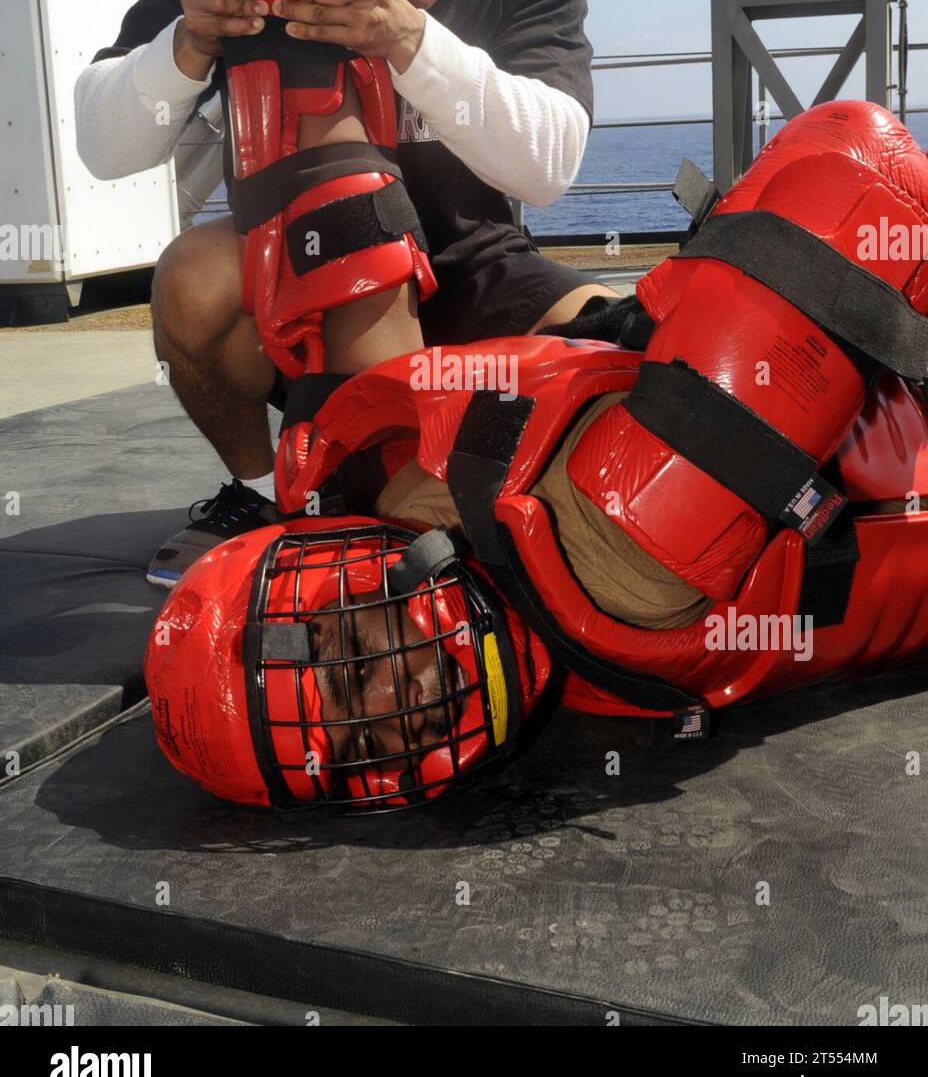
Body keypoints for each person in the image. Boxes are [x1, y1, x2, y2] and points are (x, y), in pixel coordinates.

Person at [146, 98, 928, 812]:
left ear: (324, 560)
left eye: (355, 653)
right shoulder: (397, 467)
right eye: (365, 743)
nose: (403, 696)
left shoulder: (620, 538)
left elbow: (857, 161)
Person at [74, 0, 616, 586]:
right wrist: (189, 38)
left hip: (478, 276)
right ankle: (264, 497)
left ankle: (408, 487)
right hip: (305, 291)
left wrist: (406, 36)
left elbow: (550, 163)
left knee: (621, 357)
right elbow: (101, 146)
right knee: (192, 277)